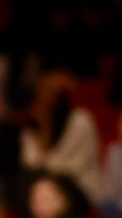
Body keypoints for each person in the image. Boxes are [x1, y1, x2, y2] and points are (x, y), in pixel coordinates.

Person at [20, 72, 101, 203]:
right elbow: (30, 162)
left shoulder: (80, 120)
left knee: (49, 184)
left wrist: (46, 164)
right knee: (27, 181)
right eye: (39, 95)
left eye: (49, 94)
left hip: (81, 187)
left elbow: (74, 167)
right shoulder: (33, 127)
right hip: (48, 185)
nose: (43, 101)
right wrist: (43, 131)